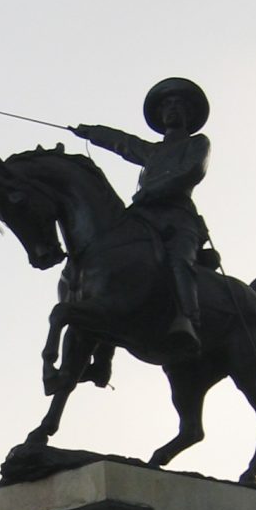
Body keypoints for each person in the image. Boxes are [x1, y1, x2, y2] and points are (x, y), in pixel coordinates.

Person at [71, 77, 218, 354]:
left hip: (178, 218)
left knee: (180, 261)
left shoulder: (198, 143)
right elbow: (123, 143)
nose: (172, 110)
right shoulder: (153, 151)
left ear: (189, 114)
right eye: (167, 106)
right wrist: (91, 132)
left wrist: (152, 192)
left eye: (179, 105)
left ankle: (188, 319)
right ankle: (103, 351)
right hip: (143, 216)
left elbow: (191, 171)